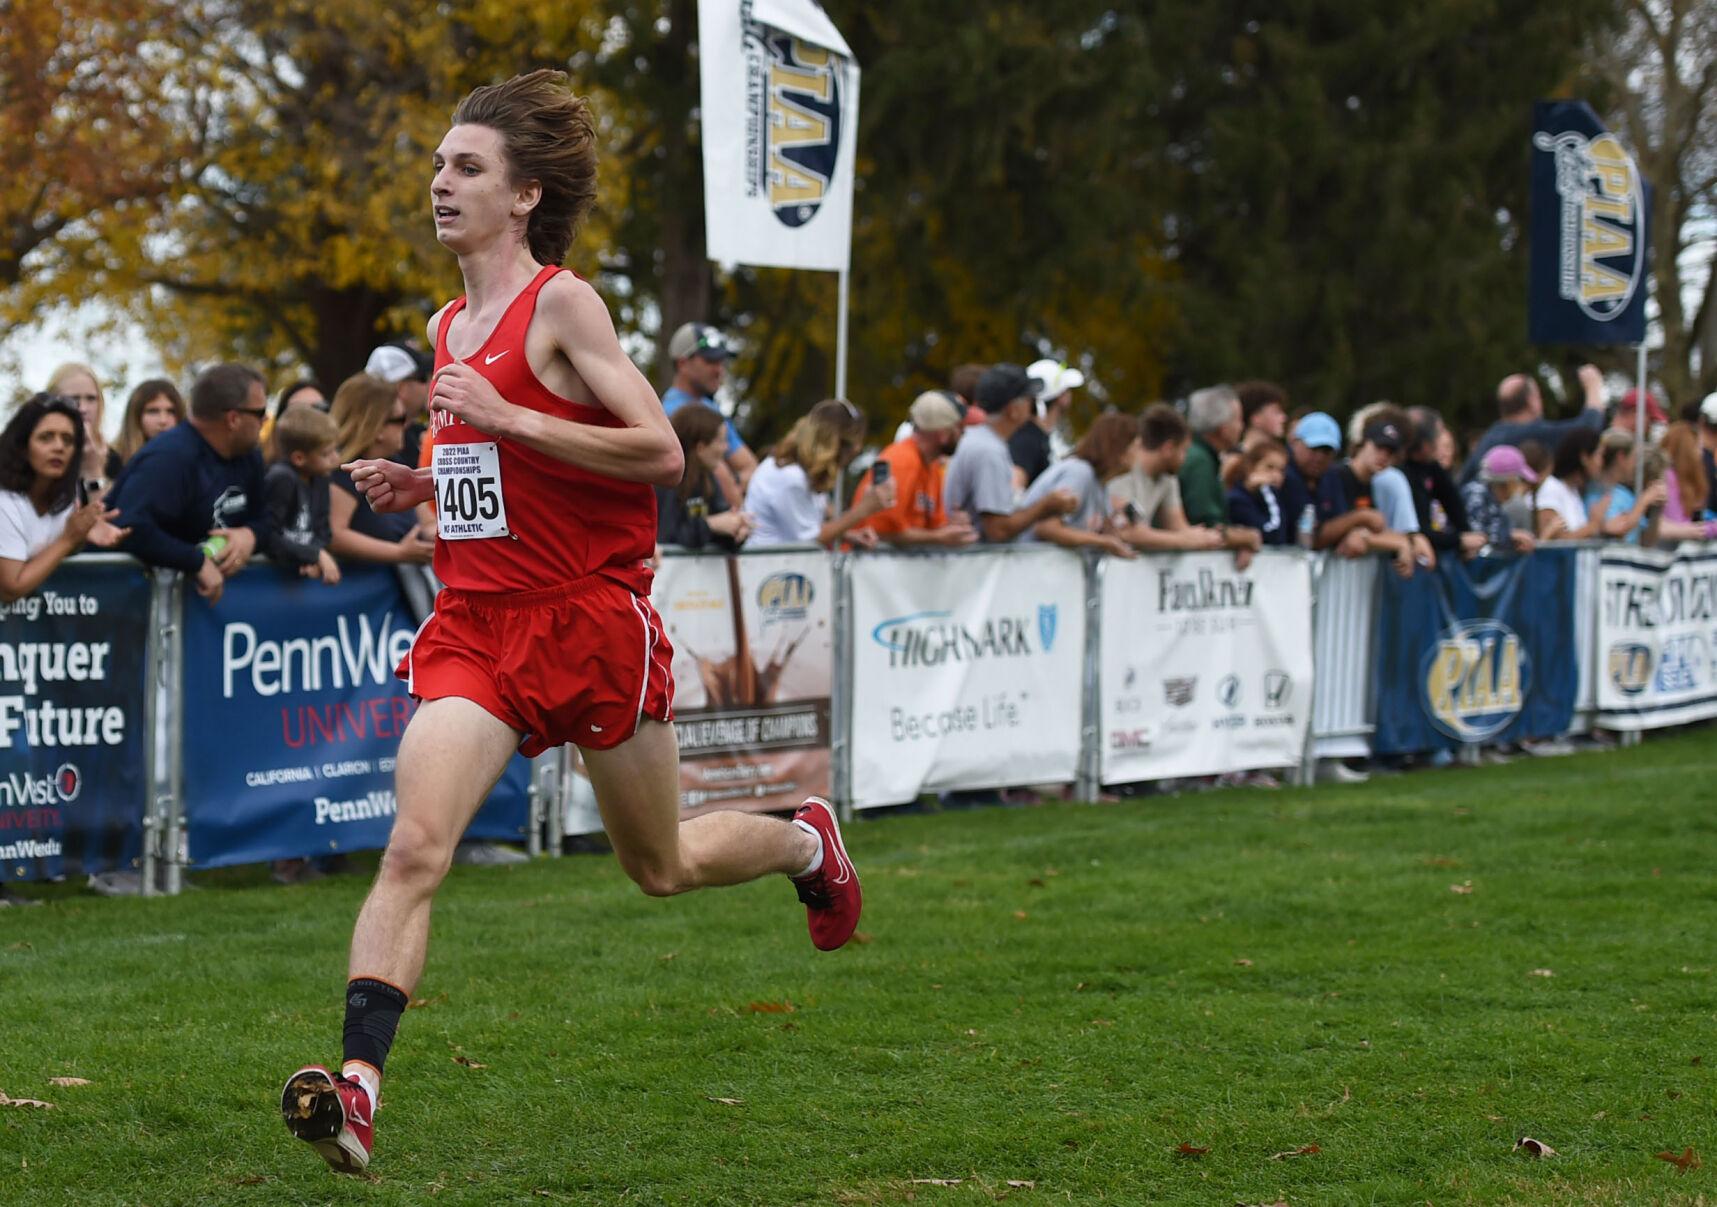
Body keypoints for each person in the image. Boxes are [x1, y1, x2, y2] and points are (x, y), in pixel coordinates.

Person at [281, 70, 862, 1176]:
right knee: (415, 845)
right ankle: (357, 1089)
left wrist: (504, 414)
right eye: (439, 165)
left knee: (661, 865)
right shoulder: (450, 320)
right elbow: (492, 463)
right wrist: (424, 481)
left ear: (525, 196)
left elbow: (660, 454)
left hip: (591, 621)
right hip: (480, 626)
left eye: (467, 168)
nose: (439, 183)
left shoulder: (563, 304)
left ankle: (803, 840)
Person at [106, 362, 273, 605]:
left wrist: (250, 535)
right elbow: (131, 527)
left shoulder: (249, 455)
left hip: (210, 617)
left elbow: (268, 518)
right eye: (260, 413)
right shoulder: (169, 458)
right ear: (234, 419)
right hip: (134, 609)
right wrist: (195, 561)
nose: (265, 420)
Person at [0, 395, 128, 603]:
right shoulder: (5, 499)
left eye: (68, 440)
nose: (59, 447)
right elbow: (10, 589)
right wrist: (69, 538)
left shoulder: (66, 496)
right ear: (22, 446)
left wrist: (84, 534)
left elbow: (51, 552)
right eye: (46, 437)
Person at [943, 363, 1079, 543]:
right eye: (1028, 398)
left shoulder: (983, 441)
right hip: (975, 567)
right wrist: (1046, 505)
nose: (1032, 405)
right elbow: (998, 530)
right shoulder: (988, 450)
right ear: (1013, 410)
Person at [743, 398, 893, 548]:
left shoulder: (799, 468)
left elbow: (810, 523)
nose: (857, 450)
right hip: (768, 568)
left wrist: (849, 534)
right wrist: (861, 510)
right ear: (835, 445)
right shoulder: (791, 477)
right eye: (852, 448)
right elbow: (810, 540)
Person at [326, 373, 436, 568]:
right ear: (376, 427)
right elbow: (335, 534)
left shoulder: (395, 463)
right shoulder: (345, 471)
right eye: (400, 419)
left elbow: (427, 523)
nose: (408, 424)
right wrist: (400, 553)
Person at [848, 390, 976, 548]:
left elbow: (933, 524)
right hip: (870, 567)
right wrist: (938, 537)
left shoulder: (931, 464)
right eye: (959, 428)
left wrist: (951, 527)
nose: (963, 434)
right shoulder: (902, 461)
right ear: (943, 433)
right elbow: (883, 531)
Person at [1317, 417, 1428, 577]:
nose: (1384, 456)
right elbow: (1341, 536)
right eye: (1379, 448)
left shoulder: (1369, 482)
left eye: (1390, 452)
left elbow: (1371, 532)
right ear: (1362, 444)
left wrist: (1404, 542)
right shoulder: (1338, 475)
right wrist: (1364, 521)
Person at [661, 322, 756, 508]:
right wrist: (736, 500)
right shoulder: (670, 413)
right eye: (710, 361)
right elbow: (720, 474)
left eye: (722, 362)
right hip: (695, 527)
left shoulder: (711, 409)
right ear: (683, 363)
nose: (719, 370)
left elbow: (749, 466)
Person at [1105, 404, 1225, 552]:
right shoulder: (1124, 469)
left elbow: (1178, 527)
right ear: (1168, 448)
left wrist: (1211, 536)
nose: (1185, 458)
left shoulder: (1168, 477)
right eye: (1183, 450)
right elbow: (1127, 532)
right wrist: (1188, 540)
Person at [1460, 363, 1605, 483]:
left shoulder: (1489, 438)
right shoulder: (1532, 433)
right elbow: (1587, 430)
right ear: (1531, 401)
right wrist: (1593, 385)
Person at [1019, 411, 1137, 557]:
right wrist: (1103, 542)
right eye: (1135, 446)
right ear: (1120, 448)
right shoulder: (1079, 472)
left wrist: (1113, 529)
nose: (1138, 453)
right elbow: (1046, 528)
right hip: (1027, 566)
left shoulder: (1100, 484)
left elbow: (1100, 530)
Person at [1178, 384, 1263, 566]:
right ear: (1223, 428)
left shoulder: (1202, 457)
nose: (1242, 427)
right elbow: (1205, 524)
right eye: (1239, 419)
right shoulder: (1200, 462)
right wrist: (1245, 538)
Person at [261, 405, 342, 585]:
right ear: (299, 458)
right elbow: (268, 536)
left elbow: (323, 531)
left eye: (336, 450)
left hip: (301, 569)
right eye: (326, 453)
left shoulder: (321, 477)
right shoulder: (282, 479)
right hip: (270, 581)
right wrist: (314, 554)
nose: (336, 458)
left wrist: (312, 555)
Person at [656, 404, 753, 551]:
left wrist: (736, 528)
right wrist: (710, 525)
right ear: (701, 448)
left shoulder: (706, 478)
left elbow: (720, 520)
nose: (726, 448)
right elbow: (664, 538)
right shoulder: (666, 480)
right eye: (721, 441)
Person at [1403, 407, 1483, 560]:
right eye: (1439, 436)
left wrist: (1466, 534)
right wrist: (1458, 541)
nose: (1443, 441)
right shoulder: (1402, 474)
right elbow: (1416, 529)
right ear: (1425, 444)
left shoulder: (1430, 467)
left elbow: (1452, 501)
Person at [1010, 358, 1084, 490]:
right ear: (1061, 396)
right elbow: (1013, 489)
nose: (1070, 394)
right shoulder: (1027, 440)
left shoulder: (1037, 436)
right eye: (1067, 389)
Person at [45, 362, 123, 484]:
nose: (83, 408)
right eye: (73, 399)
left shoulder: (113, 459)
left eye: (91, 398)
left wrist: (95, 472)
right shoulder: (34, 452)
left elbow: (111, 503)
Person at [1587, 430, 1664, 545]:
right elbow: (1617, 530)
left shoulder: (1624, 494)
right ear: (1621, 457)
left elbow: (1646, 541)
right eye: (1633, 458)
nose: (1635, 465)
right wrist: (1645, 500)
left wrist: (1656, 509)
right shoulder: (1596, 492)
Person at [365, 343, 436, 466]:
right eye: (424, 378)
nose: (431, 383)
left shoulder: (419, 434)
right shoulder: (391, 451)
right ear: (401, 388)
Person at [1459, 446, 1538, 554]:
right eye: (1519, 480)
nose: (1520, 486)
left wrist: (1514, 540)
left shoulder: (1493, 501)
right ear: (1509, 482)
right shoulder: (1476, 495)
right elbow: (1475, 535)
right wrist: (1510, 535)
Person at [1535, 427, 1610, 541]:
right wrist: (1594, 525)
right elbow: (1553, 542)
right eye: (1598, 455)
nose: (1601, 462)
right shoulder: (1552, 489)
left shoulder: (1573, 490)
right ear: (1584, 457)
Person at [1280, 412, 1341, 544]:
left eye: (1326, 451)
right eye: (1313, 448)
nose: (1319, 458)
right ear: (1295, 443)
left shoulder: (1332, 477)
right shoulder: (1280, 473)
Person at [1651, 423, 1717, 544]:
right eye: (1697, 447)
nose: (1700, 453)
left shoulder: (1684, 479)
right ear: (1687, 450)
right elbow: (1679, 523)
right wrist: (1710, 528)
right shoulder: (1668, 478)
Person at [1223, 438, 1290, 545]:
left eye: (1281, 470)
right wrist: (1268, 492)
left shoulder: (1265, 498)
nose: (1276, 476)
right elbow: (1274, 534)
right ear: (1250, 467)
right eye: (1269, 467)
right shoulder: (1238, 500)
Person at [114, 379, 185, 465]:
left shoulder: (195, 463)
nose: (163, 420)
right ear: (136, 416)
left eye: (171, 411)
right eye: (153, 411)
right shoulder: (112, 462)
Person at [1235, 380, 1288, 450]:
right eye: (1276, 411)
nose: (1284, 418)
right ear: (1256, 417)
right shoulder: (1233, 458)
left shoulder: (1280, 456)